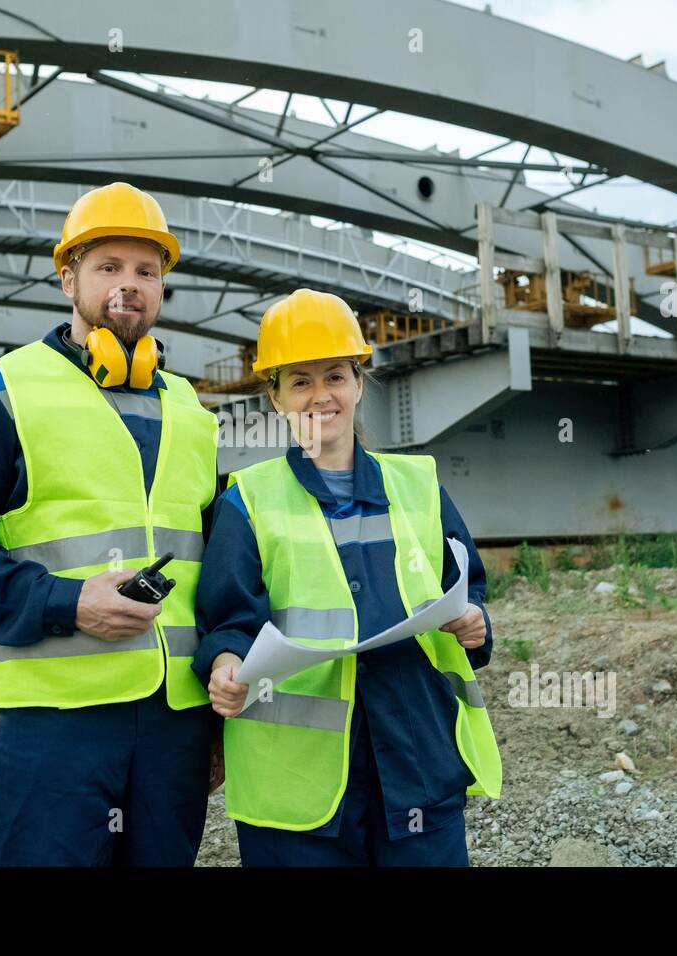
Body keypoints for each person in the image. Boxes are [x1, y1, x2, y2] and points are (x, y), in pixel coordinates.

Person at [0, 182, 219, 866]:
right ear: (68, 278)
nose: (129, 285)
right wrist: (69, 600)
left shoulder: (191, 409)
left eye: (147, 271)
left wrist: (216, 715)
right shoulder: (2, 391)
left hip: (175, 722)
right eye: (107, 266)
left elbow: (215, 561)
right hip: (57, 724)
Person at [192, 288, 502, 866]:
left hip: (416, 761)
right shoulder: (246, 502)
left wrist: (476, 621)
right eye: (300, 381)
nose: (320, 395)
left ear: (360, 381)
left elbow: (468, 585)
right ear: (275, 395)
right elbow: (227, 621)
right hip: (298, 791)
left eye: (334, 375)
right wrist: (225, 665)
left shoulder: (418, 486)